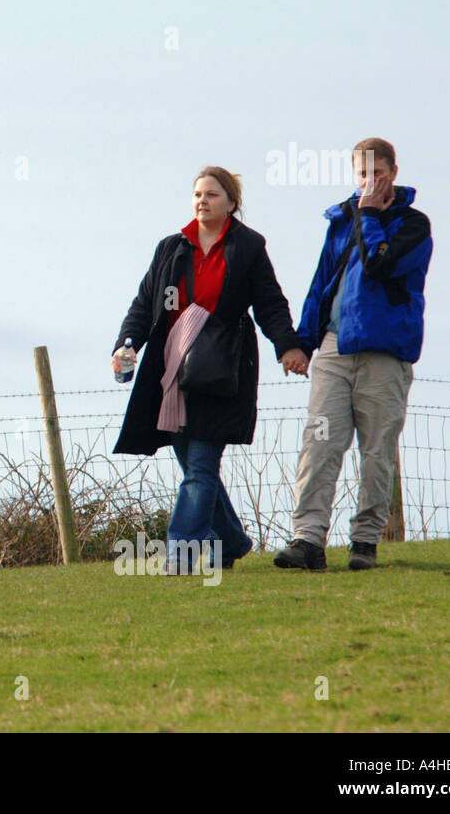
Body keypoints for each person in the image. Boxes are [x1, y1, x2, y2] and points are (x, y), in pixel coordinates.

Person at [112, 166, 306, 574]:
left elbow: (269, 301)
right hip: (172, 370)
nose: (203, 200)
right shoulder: (171, 247)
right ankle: (231, 541)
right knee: (195, 469)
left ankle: (180, 555)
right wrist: (126, 345)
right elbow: (145, 302)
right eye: (198, 194)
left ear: (232, 203)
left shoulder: (248, 246)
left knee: (200, 467)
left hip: (221, 370)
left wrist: (287, 345)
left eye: (213, 195)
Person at [273, 137, 432, 571]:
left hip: (384, 352)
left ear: (394, 173)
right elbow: (322, 282)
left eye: (376, 173)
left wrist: (368, 215)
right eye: (362, 174)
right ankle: (308, 539)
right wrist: (301, 343)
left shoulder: (414, 225)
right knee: (320, 443)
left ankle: (365, 542)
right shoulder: (340, 222)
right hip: (333, 349)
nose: (368, 182)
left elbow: (382, 265)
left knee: (377, 450)